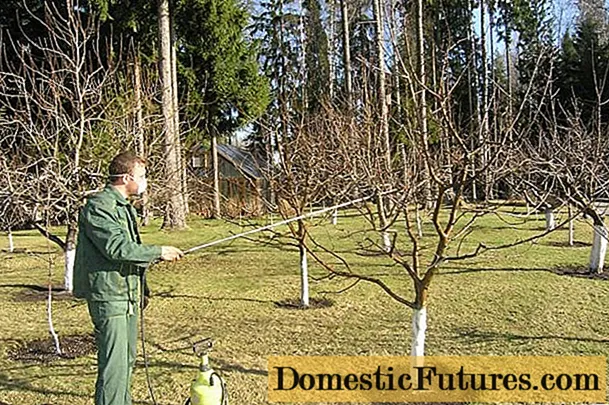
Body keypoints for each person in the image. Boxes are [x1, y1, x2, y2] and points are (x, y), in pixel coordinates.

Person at [73, 151, 183, 405]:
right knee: (114, 365)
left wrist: (142, 287)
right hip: (110, 297)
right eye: (142, 176)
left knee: (127, 360)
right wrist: (159, 252)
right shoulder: (99, 206)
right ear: (125, 178)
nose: (145, 182)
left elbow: (128, 253)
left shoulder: (124, 208)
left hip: (128, 295)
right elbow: (116, 248)